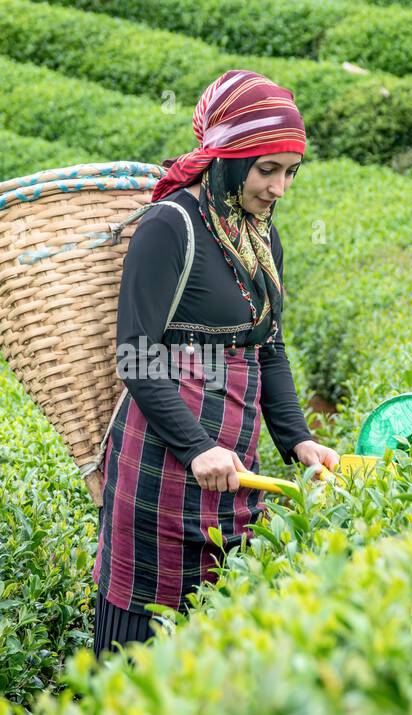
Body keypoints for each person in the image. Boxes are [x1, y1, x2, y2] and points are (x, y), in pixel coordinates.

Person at [92, 69, 339, 658]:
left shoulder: (259, 233)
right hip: (164, 459)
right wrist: (195, 445)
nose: (279, 187)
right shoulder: (168, 226)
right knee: (145, 628)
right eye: (266, 170)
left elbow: (268, 346)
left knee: (216, 621)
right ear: (225, 158)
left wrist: (299, 441)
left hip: (236, 460)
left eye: (290, 172)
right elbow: (135, 353)